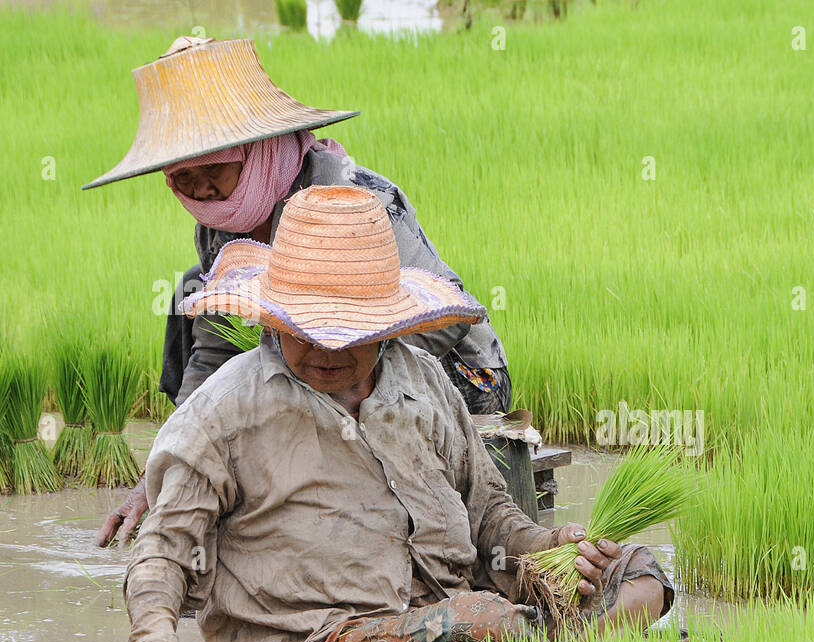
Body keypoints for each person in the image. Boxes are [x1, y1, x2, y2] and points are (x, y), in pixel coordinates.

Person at [117, 186, 672, 642]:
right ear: (274, 316)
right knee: (483, 626)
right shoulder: (225, 411)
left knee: (640, 571)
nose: (326, 349)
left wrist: (553, 551)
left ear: (385, 322)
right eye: (306, 329)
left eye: (349, 331)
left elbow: (488, 517)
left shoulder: (424, 382)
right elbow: (164, 546)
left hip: (455, 618)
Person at [85, 35, 511, 546]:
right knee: (191, 297)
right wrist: (162, 475)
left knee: (277, 390)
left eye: (213, 170)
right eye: (182, 177)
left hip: (450, 371)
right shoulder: (222, 223)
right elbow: (216, 350)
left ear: (256, 151)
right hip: (313, 364)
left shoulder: (355, 201)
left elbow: (449, 313)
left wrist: (317, 362)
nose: (200, 191)